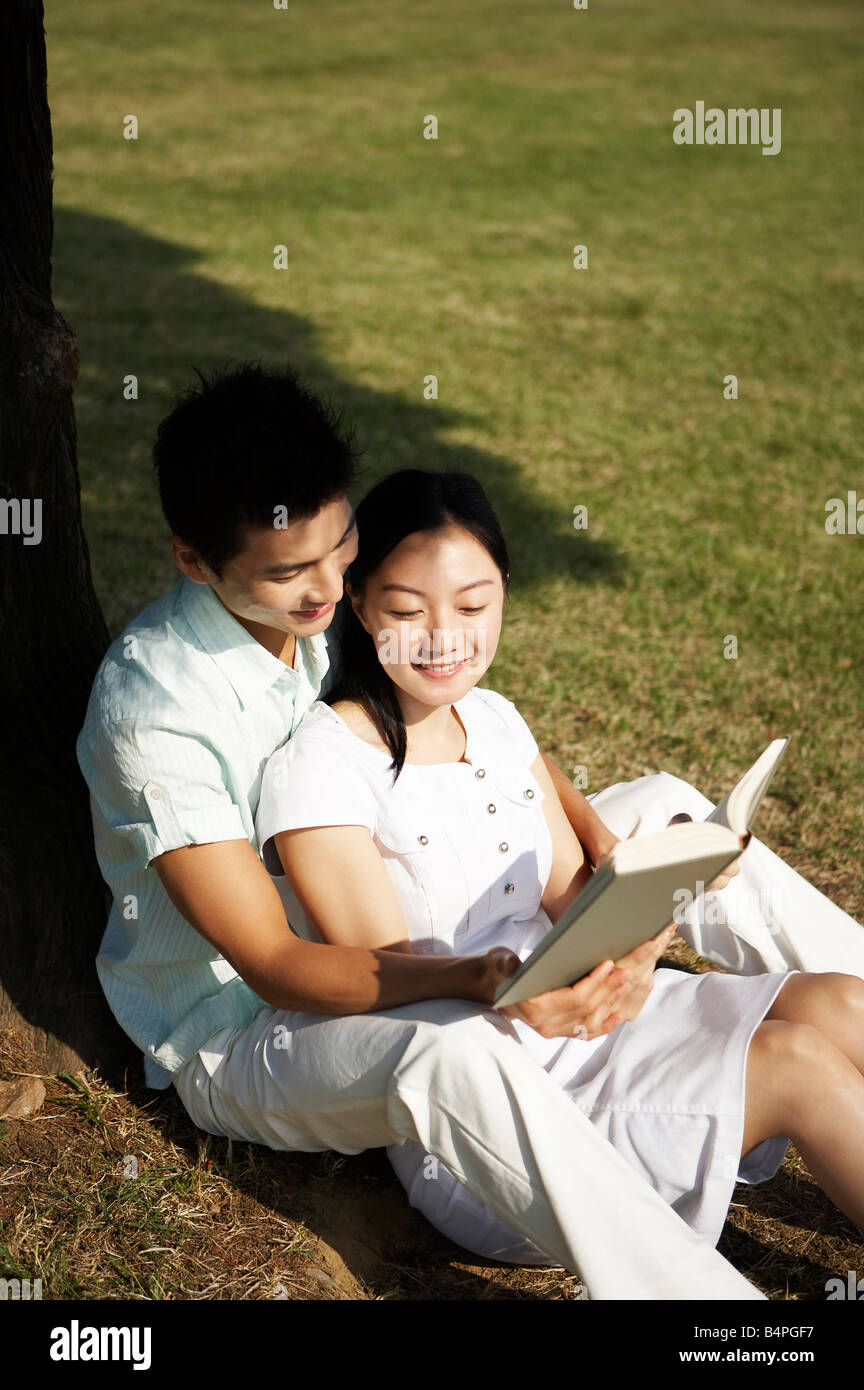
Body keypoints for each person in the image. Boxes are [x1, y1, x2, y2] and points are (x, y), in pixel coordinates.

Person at [75, 362, 864, 1300]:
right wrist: (485, 979)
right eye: (292, 573)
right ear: (195, 562)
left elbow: (492, 729)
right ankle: (705, 1312)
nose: (332, 588)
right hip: (256, 1021)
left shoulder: (330, 607)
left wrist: (606, 854)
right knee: (451, 1047)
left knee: (662, 805)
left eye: (343, 550)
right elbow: (271, 961)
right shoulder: (156, 708)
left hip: (376, 882)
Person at [254, 467, 864, 1271]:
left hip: (593, 1018)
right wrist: (534, 997)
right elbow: (395, 985)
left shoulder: (496, 720)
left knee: (838, 1001)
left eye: (473, 606)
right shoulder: (326, 768)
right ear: (359, 605)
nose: (444, 639)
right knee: (797, 1064)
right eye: (407, 610)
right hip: (500, 1103)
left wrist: (668, 896)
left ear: (504, 593)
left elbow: (575, 893)